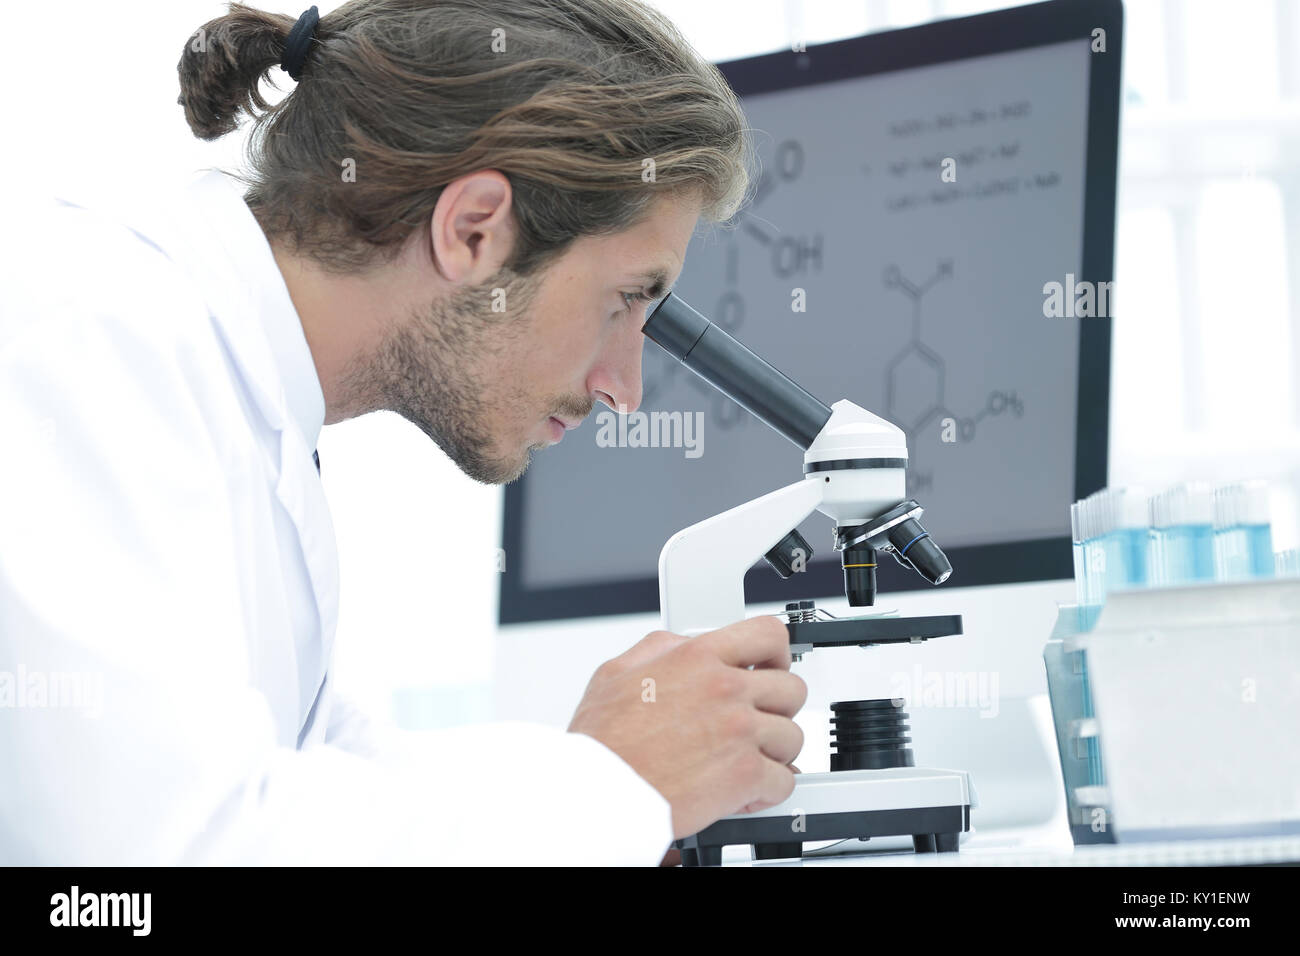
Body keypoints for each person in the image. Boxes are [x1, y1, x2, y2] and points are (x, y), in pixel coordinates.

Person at [0, 0, 804, 865]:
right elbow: (137, 865)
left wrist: (622, 774)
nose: (624, 390)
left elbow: (317, 780)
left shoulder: (251, 409)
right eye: (623, 302)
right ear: (474, 231)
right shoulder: (85, 331)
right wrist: (608, 781)